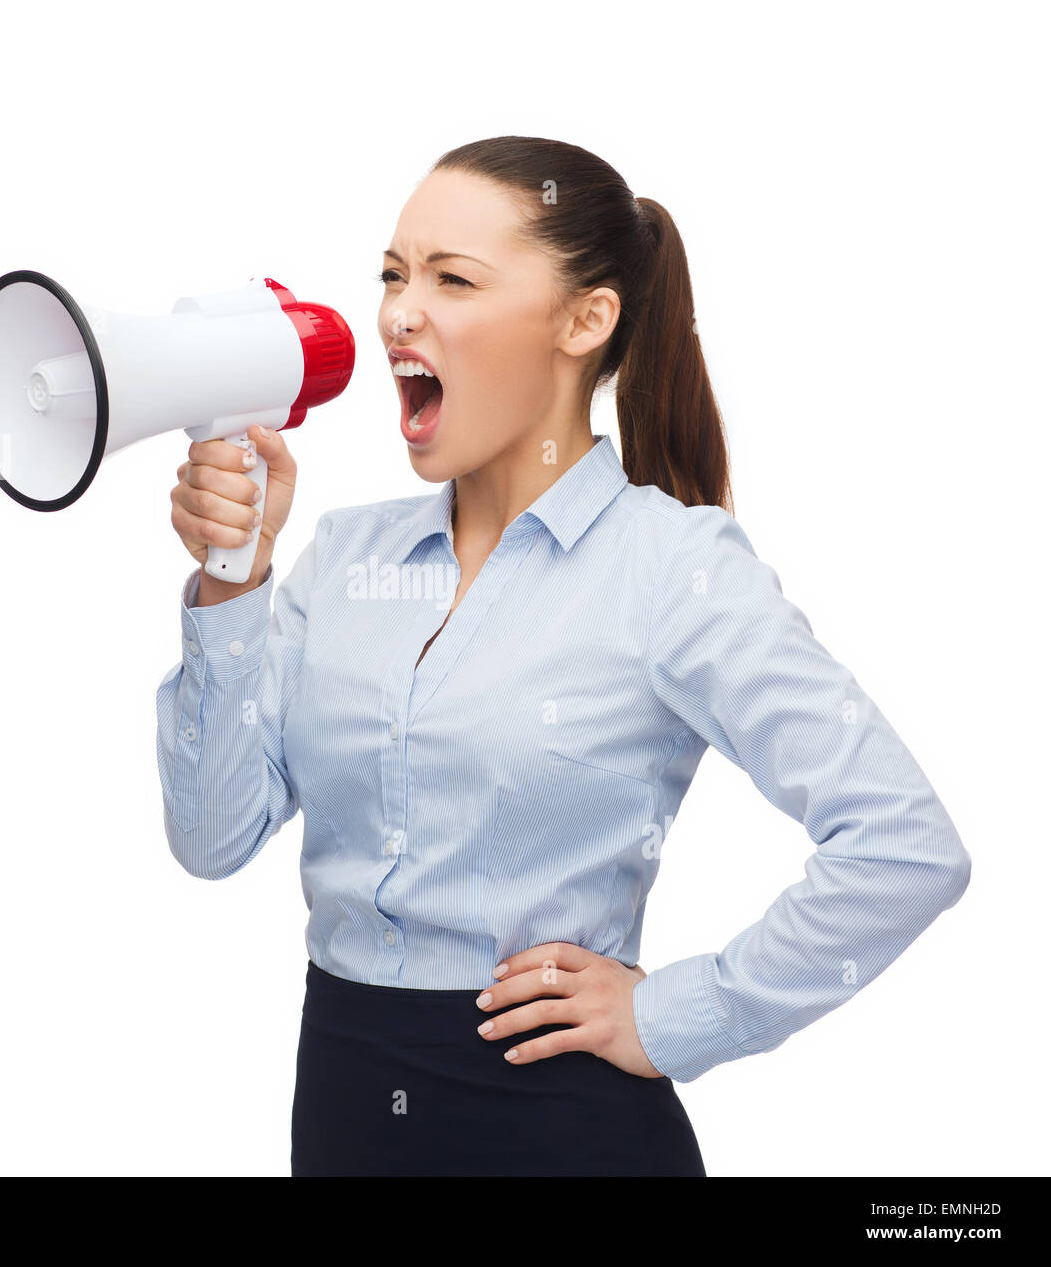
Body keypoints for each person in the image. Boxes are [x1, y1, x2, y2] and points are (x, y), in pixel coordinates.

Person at [155, 135, 971, 1177]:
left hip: (563, 1131)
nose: (401, 312)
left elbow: (906, 847)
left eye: (453, 279)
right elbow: (211, 836)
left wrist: (678, 1013)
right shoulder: (343, 554)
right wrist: (232, 582)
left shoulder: (671, 568)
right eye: (394, 276)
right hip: (345, 1117)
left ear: (584, 321)